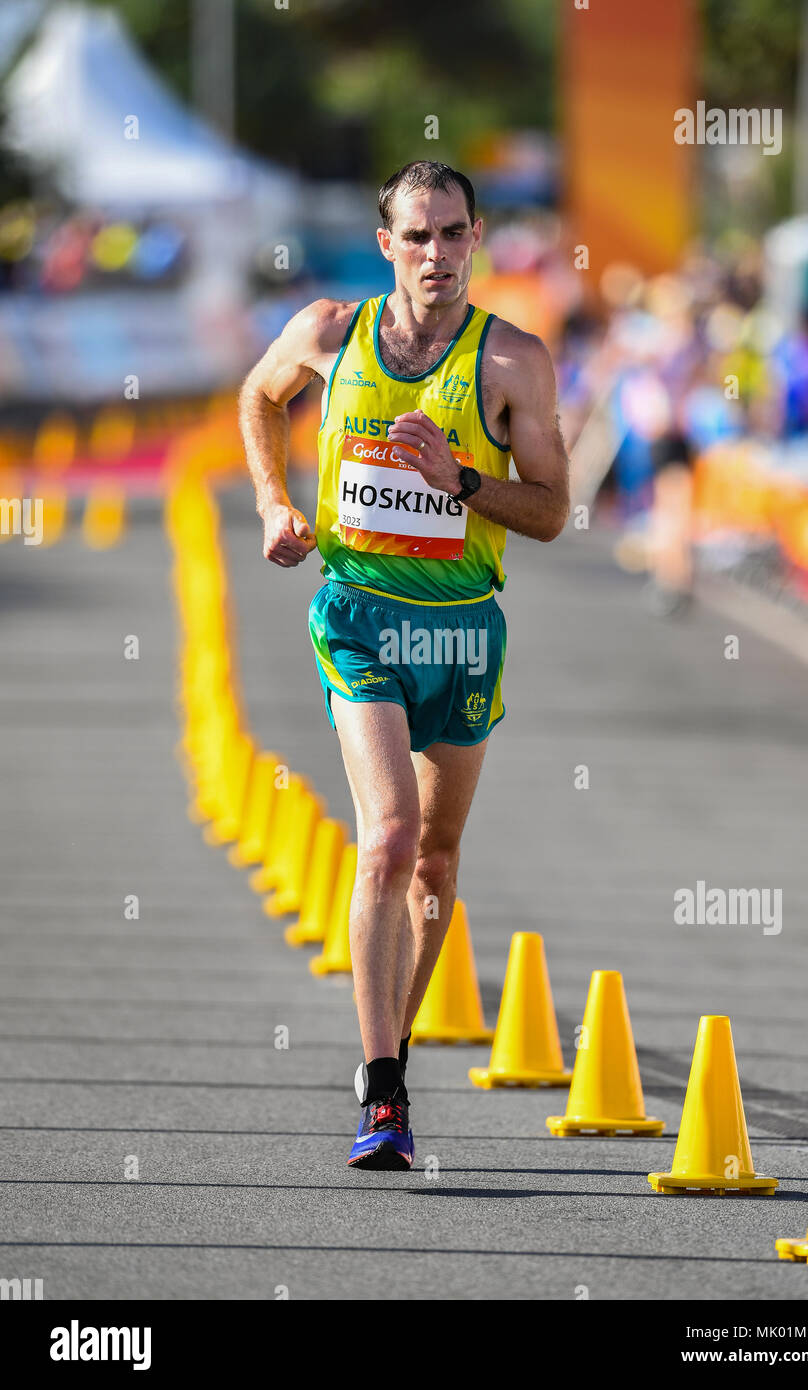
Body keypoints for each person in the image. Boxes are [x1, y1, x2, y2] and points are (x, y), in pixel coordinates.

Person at [239, 161, 569, 1169]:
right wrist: (274, 502)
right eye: (416, 236)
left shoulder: (513, 361)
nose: (436, 254)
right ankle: (382, 1092)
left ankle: (392, 1039)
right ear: (384, 244)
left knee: (433, 856)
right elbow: (260, 396)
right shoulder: (328, 334)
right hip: (358, 616)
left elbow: (551, 510)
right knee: (385, 837)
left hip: (464, 629)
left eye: (453, 233)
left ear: (478, 240)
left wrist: (463, 479)